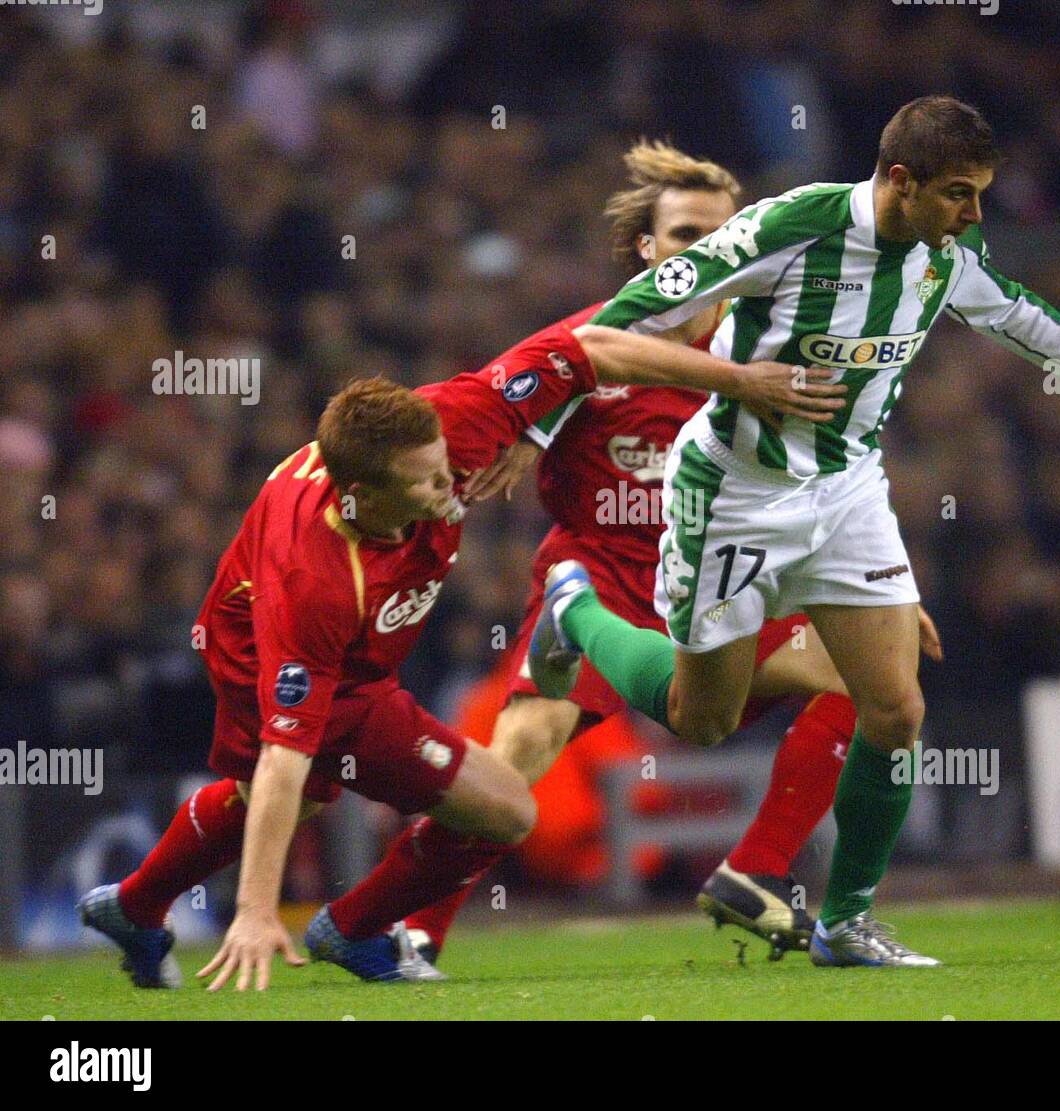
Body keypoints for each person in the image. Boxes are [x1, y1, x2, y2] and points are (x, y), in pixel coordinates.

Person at [528, 96, 1060, 968]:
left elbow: (1018, 316)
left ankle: (845, 922)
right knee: (703, 718)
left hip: (847, 491)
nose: (972, 214)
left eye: (979, 196)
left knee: (894, 707)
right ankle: (572, 606)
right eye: (959, 194)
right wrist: (737, 379)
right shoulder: (789, 227)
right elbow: (617, 324)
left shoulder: (944, 255)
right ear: (898, 179)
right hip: (734, 489)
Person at [79, 291, 835, 991]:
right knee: (300, 790)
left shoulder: (458, 421)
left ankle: (267, 918)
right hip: (259, 646)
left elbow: (597, 344)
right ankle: (192, 911)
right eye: (428, 484)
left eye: (447, 467)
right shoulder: (311, 577)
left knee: (493, 808)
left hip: (367, 666)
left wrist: (733, 380)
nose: (452, 489)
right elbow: (284, 753)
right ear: (362, 496)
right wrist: (254, 909)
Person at [395, 140, 942, 966]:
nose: (709, 252)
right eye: (686, 235)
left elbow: (826, 476)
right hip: (605, 584)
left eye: (724, 235)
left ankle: (754, 870)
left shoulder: (765, 339)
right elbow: (508, 391)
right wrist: (517, 430)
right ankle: (411, 931)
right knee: (514, 761)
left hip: (727, 586)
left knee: (868, 682)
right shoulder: (601, 339)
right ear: (648, 251)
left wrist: (878, 593)